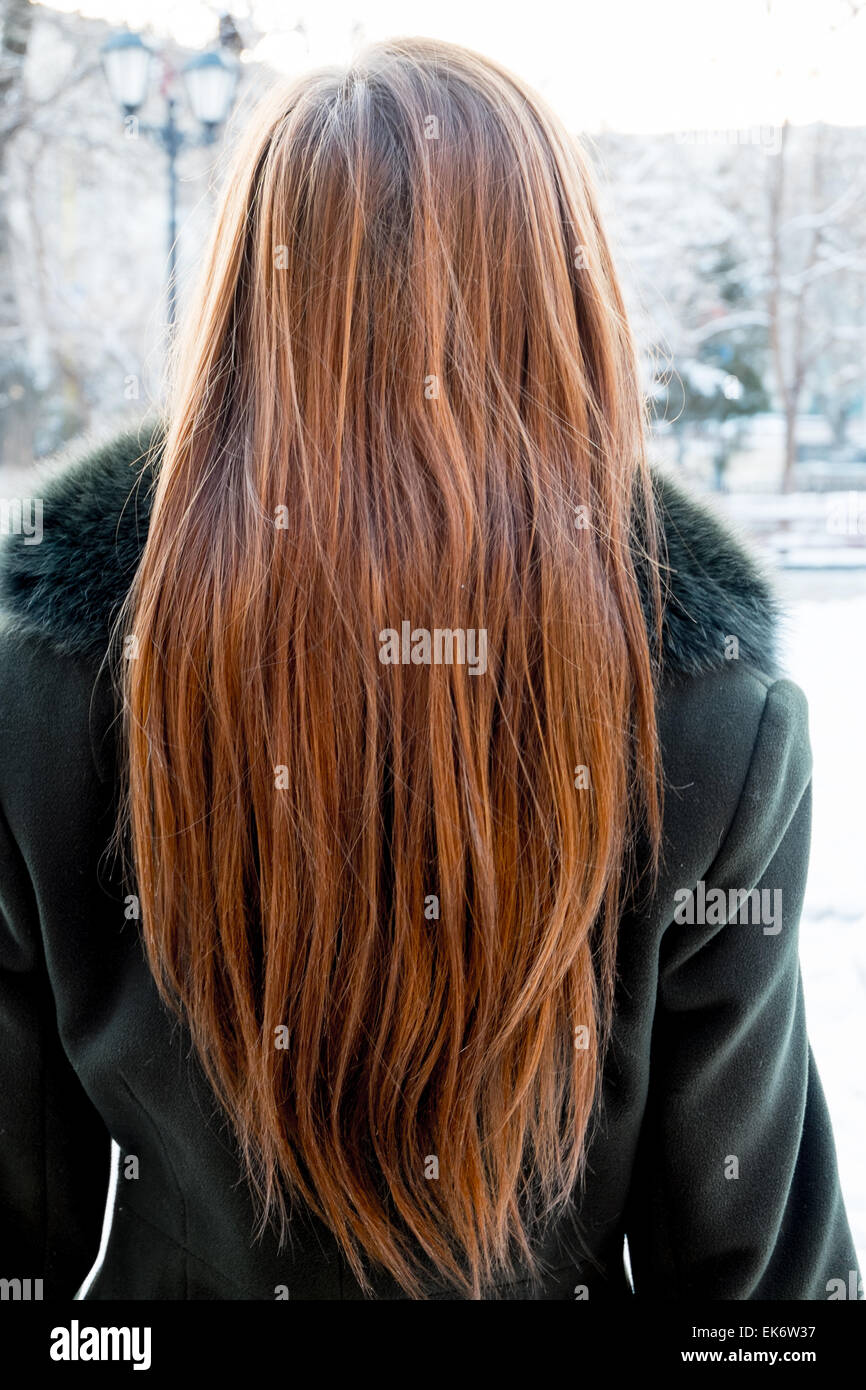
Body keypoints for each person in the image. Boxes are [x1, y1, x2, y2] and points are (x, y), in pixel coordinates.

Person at [0, 36, 857, 1301]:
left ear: (245, 302)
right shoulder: (711, 727)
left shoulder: (45, 693)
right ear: (566, 309)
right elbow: (748, 1273)